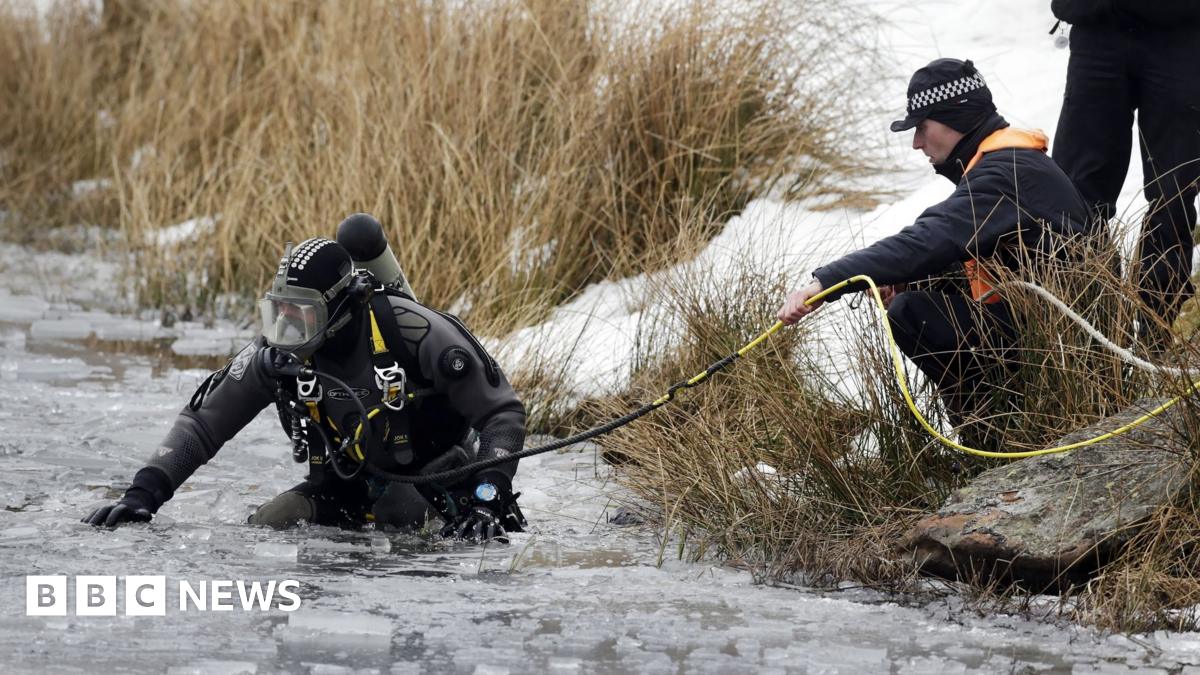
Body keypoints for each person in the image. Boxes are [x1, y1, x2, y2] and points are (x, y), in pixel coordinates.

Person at [83, 214, 527, 541]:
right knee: (272, 522)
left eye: (300, 315)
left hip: (433, 481)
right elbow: (202, 424)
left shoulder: (412, 331)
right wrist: (144, 494)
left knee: (399, 514)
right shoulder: (277, 354)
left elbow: (502, 413)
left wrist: (489, 497)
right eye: (278, 313)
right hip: (344, 485)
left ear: (339, 307)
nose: (285, 330)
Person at [777, 58, 1092, 445]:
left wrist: (823, 283)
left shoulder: (1004, 174)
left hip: (1065, 349)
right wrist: (909, 277)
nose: (916, 143)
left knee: (911, 313)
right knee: (919, 287)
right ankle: (1005, 429)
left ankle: (995, 441)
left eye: (922, 128)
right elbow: (958, 246)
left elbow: (929, 238)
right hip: (1055, 334)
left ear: (954, 118)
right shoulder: (1007, 164)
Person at [1051, 1, 1200, 335]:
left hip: (1181, 32)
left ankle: (1155, 334)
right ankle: (1090, 330)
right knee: (1076, 193)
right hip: (1097, 26)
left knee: (1173, 193)